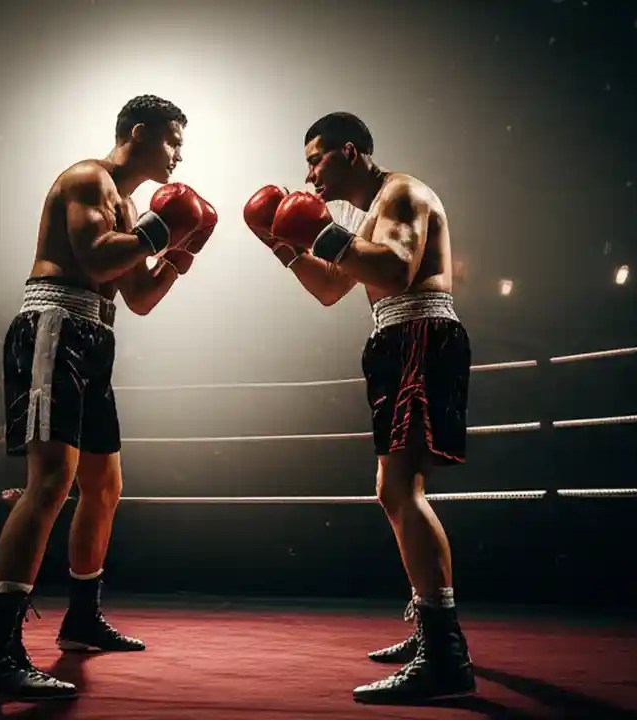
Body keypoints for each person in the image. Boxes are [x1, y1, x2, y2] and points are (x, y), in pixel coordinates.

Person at [0, 94, 216, 701]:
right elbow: (92, 255)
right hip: (53, 326)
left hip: (96, 336)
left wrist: (181, 253)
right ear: (139, 132)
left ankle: (81, 618)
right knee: (51, 482)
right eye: (172, 140)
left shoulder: (130, 204)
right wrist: (165, 227)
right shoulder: (87, 178)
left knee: (104, 486)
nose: (180, 154)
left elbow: (137, 295)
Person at [244, 111, 475, 704]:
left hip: (419, 330)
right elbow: (329, 289)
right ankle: (432, 630)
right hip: (397, 338)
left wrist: (315, 232)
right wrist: (286, 247)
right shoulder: (362, 212)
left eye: (316, 158)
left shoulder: (400, 192)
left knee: (399, 491)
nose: (309, 173)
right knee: (396, 491)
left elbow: (396, 271)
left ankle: (444, 655)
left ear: (351, 152)